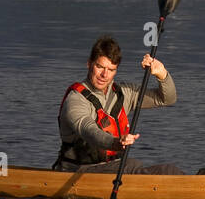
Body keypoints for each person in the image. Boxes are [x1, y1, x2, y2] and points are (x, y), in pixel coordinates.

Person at [53, 34, 185, 175]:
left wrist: (162, 74)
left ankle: (196, 184)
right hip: (77, 171)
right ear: (89, 63)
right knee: (132, 165)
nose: (104, 75)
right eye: (100, 67)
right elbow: (89, 131)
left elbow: (167, 99)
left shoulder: (124, 93)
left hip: (113, 168)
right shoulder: (76, 99)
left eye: (111, 70)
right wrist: (115, 142)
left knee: (169, 170)